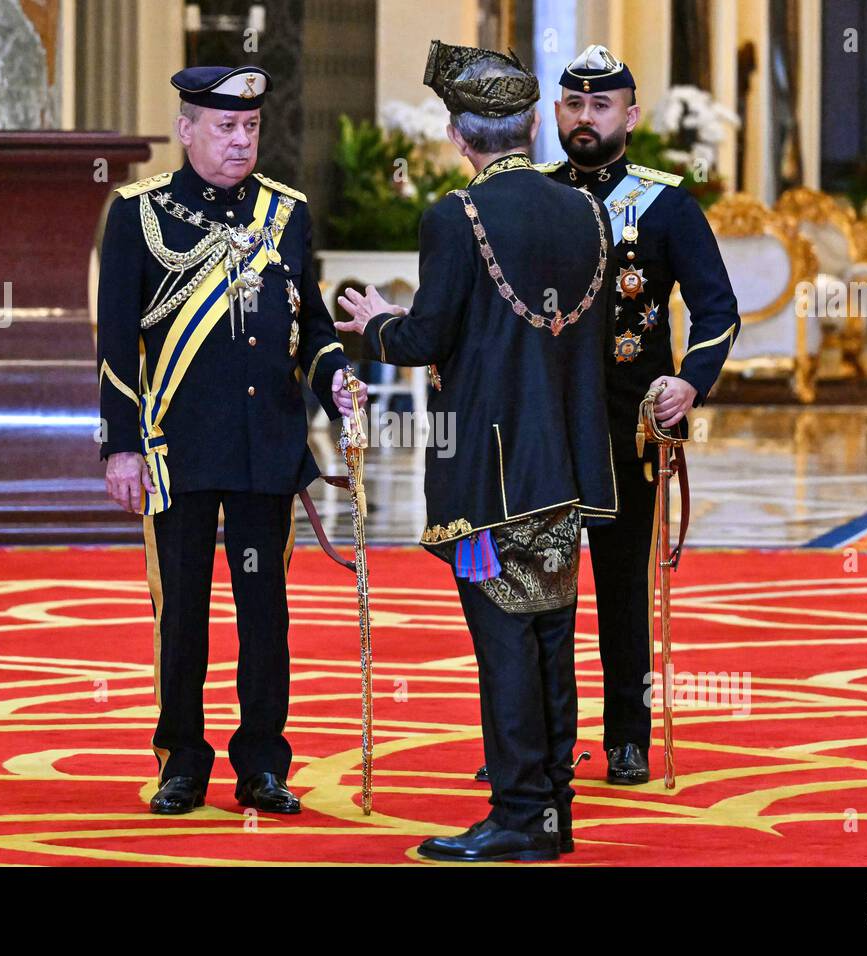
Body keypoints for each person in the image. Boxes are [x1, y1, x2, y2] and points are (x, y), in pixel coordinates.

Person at [335, 41, 617, 862]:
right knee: (553, 638)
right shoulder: (588, 213)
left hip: (490, 475)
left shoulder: (453, 217)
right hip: (565, 464)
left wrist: (374, 323)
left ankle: (519, 816)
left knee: (504, 642)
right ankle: (554, 810)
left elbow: (430, 336)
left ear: (460, 136)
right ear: (532, 124)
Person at [96, 64, 363, 816]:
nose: (241, 140)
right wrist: (121, 447)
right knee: (179, 611)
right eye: (224, 126)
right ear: (186, 130)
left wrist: (334, 378)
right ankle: (181, 760)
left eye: (250, 126)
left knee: (265, 615)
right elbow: (117, 345)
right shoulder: (138, 214)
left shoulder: (287, 212)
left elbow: (308, 323)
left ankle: (262, 764)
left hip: (264, 449)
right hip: (177, 449)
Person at [541, 44, 740, 784]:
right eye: (572, 104)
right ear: (555, 112)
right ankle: (543, 738)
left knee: (623, 586)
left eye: (599, 105)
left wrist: (691, 382)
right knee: (539, 583)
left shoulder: (664, 202)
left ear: (631, 114)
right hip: (545, 422)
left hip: (630, 425)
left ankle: (627, 735)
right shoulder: (533, 193)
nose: (584, 118)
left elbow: (717, 308)